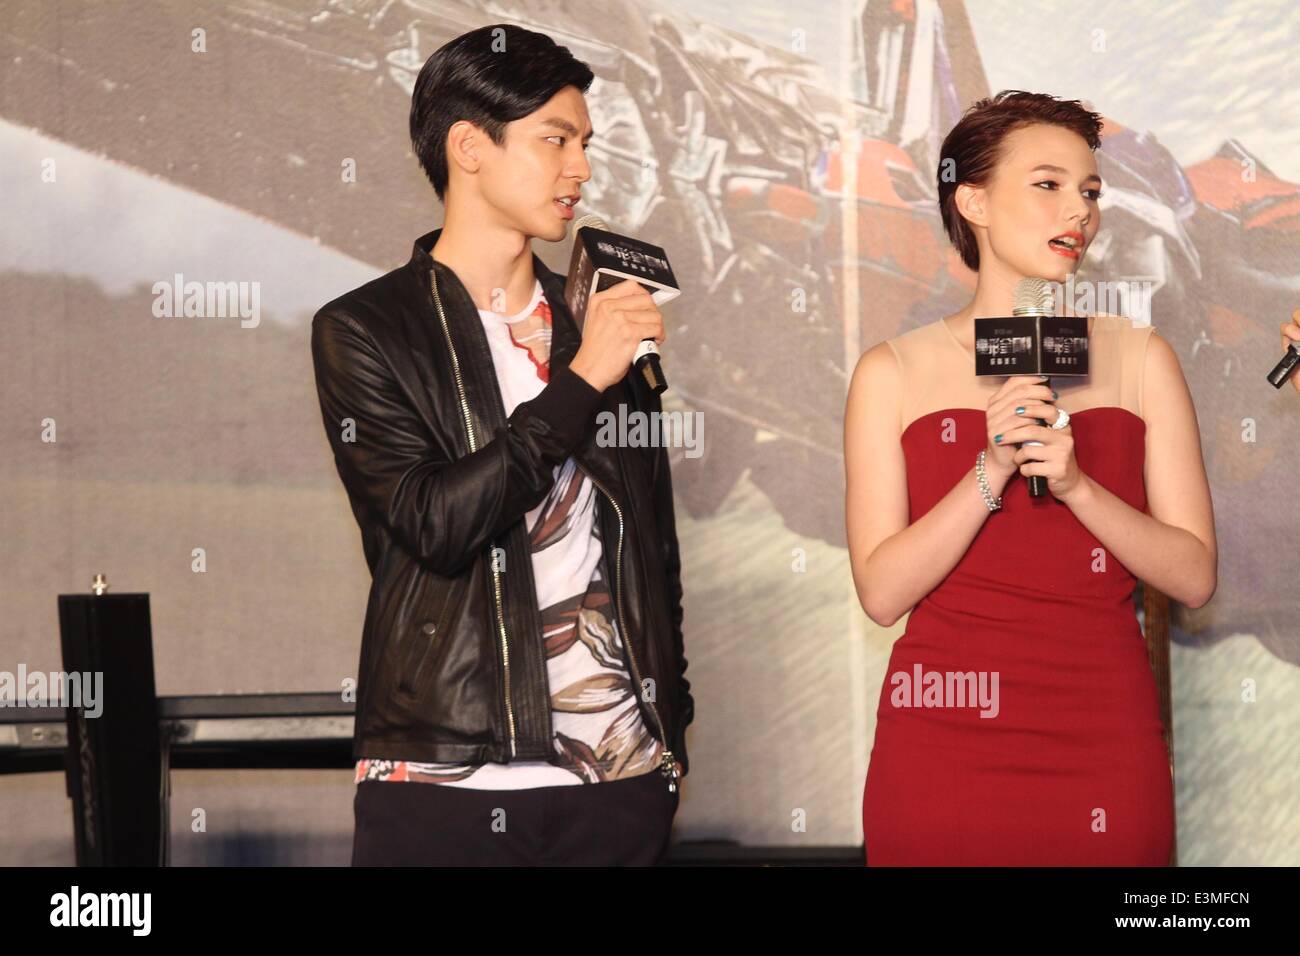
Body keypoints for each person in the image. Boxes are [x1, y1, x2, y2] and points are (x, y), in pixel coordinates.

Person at [310, 23, 693, 866]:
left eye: (586, 143)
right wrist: (583, 381)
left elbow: (651, 547)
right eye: (555, 139)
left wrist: (671, 740)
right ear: (469, 147)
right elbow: (436, 523)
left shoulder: (600, 322)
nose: (581, 169)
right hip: (445, 777)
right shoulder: (366, 329)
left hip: (620, 779)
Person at [844, 90, 1218, 865]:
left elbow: (1193, 576)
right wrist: (991, 471)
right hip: (943, 743)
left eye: (1089, 191)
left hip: (1103, 736)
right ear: (972, 200)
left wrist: (1079, 486)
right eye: (1047, 185)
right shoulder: (893, 371)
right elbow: (882, 593)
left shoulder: (1140, 358)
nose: (1077, 211)